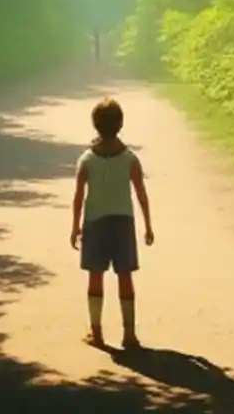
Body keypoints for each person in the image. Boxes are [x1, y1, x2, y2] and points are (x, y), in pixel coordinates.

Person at [69, 97, 154, 349]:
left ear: (95, 124)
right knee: (125, 276)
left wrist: (75, 227)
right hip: (123, 222)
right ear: (121, 124)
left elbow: (78, 197)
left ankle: (96, 332)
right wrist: (148, 225)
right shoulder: (130, 159)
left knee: (95, 276)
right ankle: (129, 334)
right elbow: (141, 194)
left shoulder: (87, 160)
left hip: (95, 222)